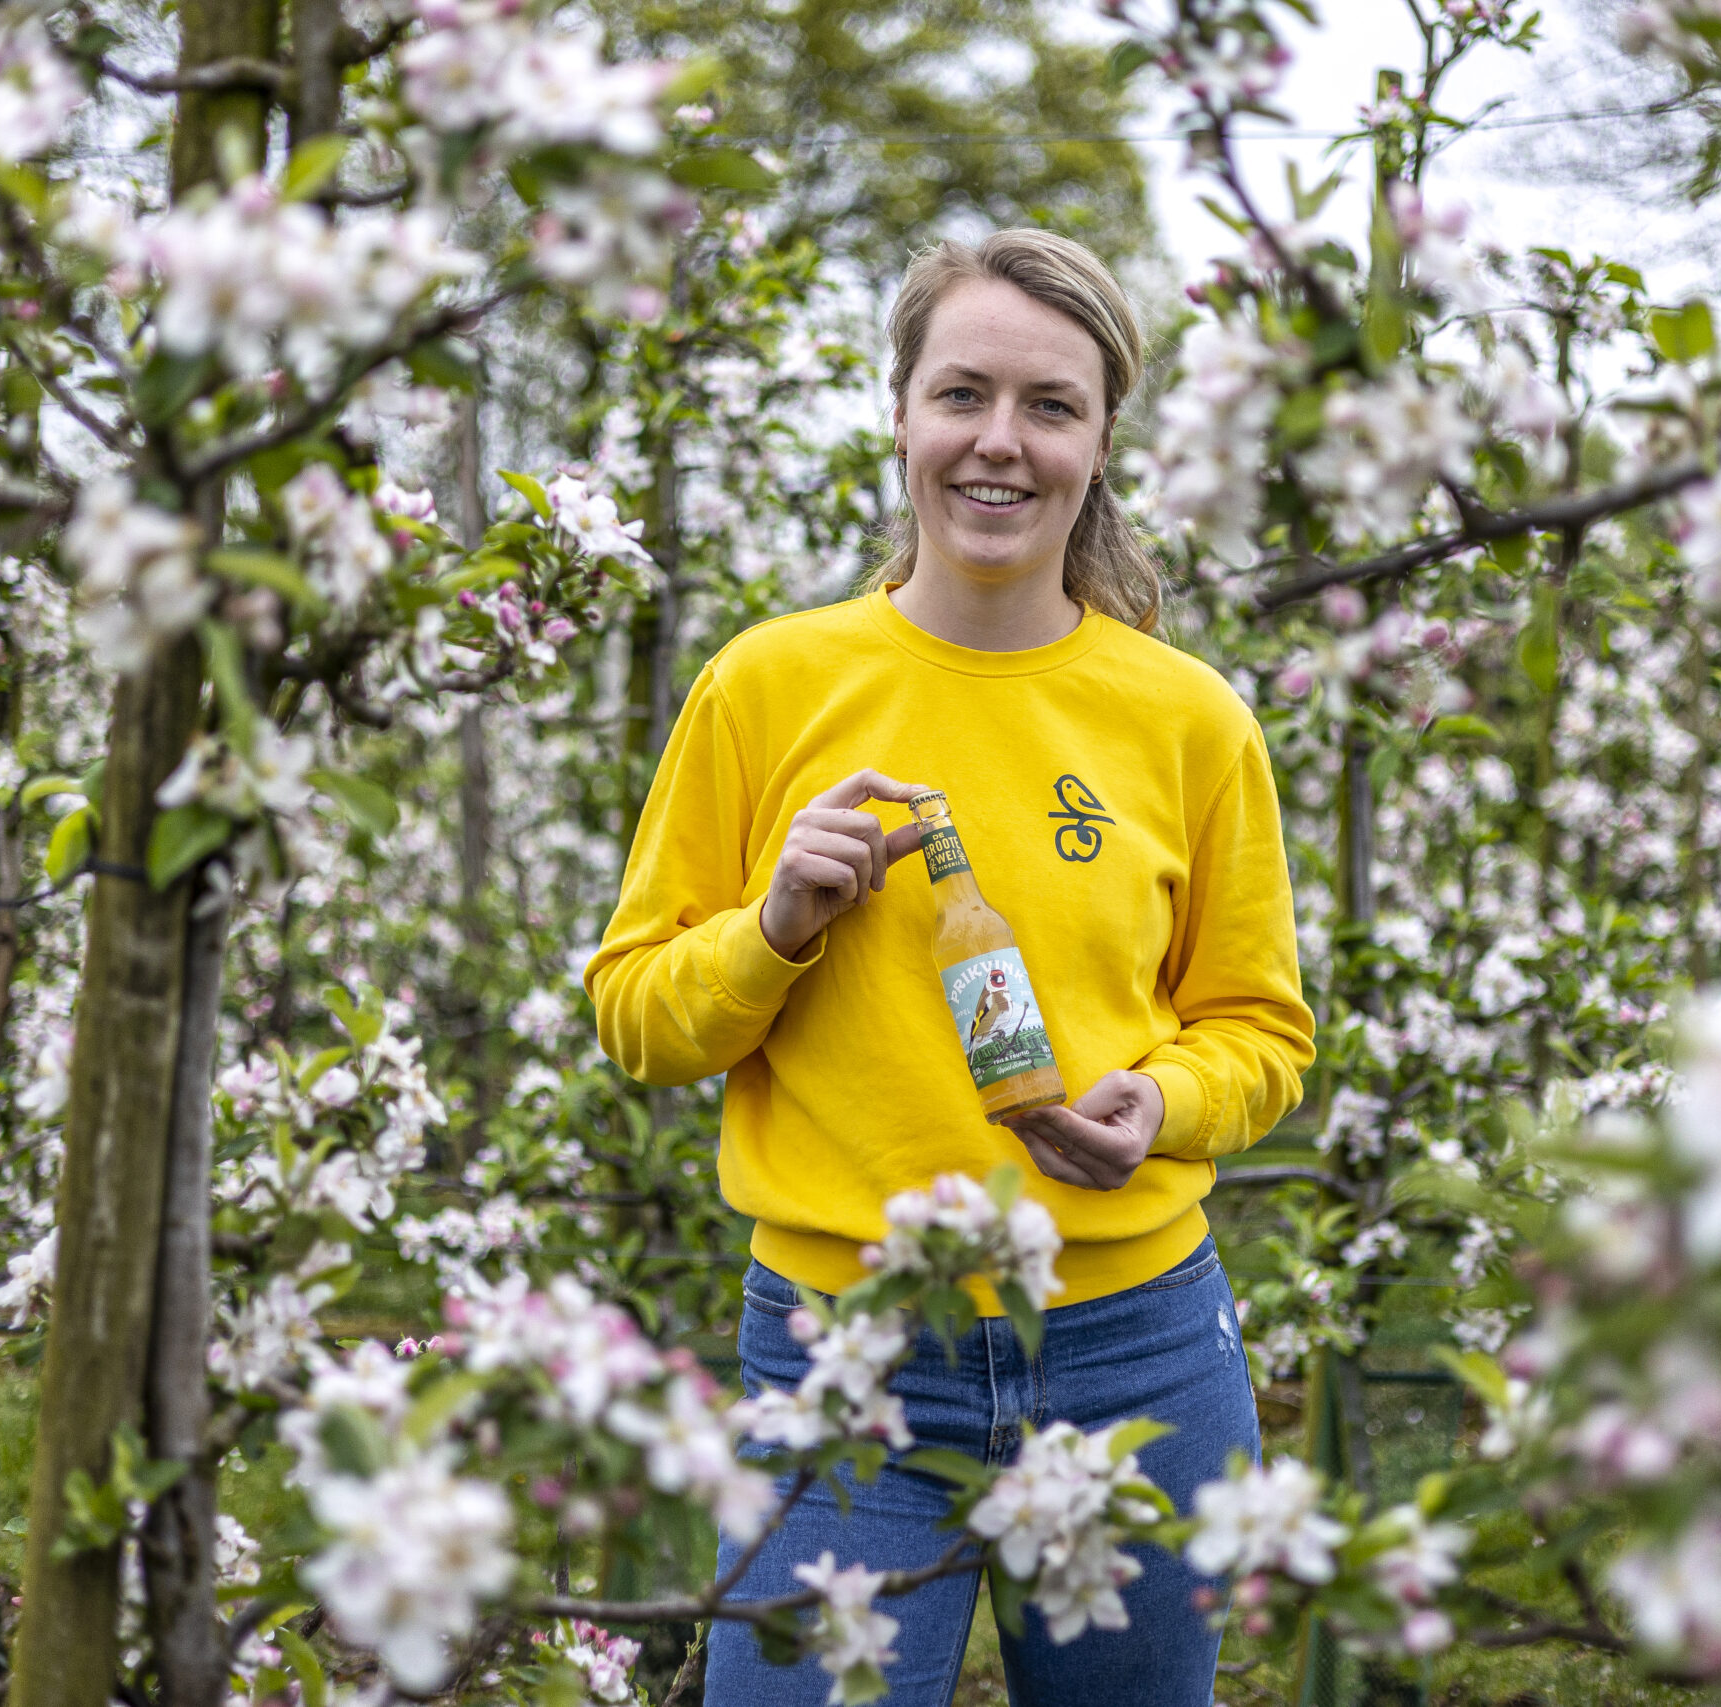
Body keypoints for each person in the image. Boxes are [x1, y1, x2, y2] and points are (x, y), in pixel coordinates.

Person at [585, 228, 1315, 1706]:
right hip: (841, 1349)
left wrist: (1160, 1108)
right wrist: (773, 926)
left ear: (1103, 440)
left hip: (1138, 1353)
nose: (1001, 442)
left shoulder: (1187, 720)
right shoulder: (768, 686)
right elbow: (639, 1021)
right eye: (962, 393)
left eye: (1050, 405)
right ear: (902, 412)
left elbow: (1260, 1032)